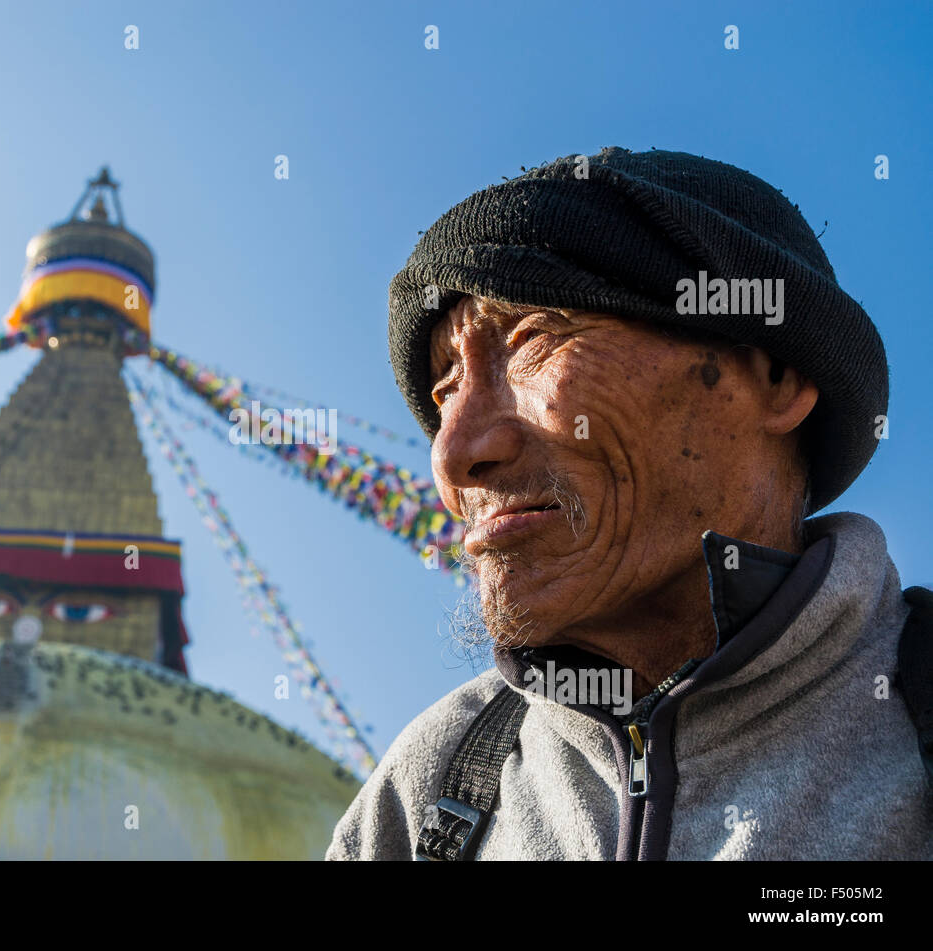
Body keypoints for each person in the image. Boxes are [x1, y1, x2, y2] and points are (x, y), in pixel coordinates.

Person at [327, 147, 932, 860]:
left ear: (775, 374)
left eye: (534, 338)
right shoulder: (420, 795)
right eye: (444, 388)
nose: (453, 454)